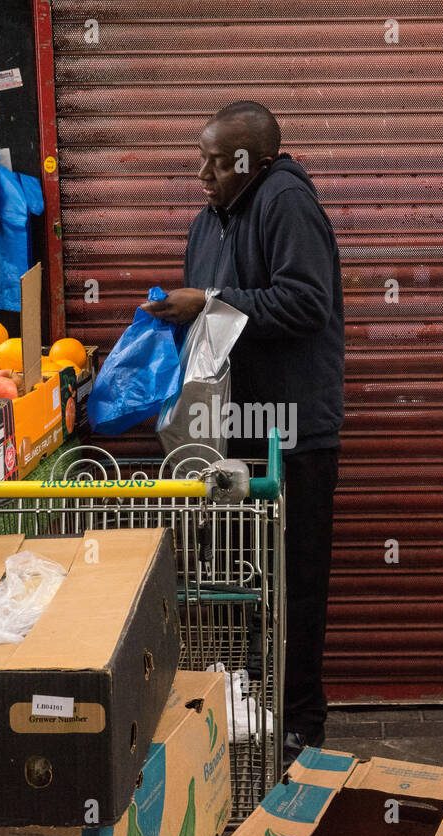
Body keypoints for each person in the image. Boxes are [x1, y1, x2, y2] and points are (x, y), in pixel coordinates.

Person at [140, 101, 344, 768]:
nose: (201, 171)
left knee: (298, 584)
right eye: (199, 156)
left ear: (252, 162)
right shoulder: (209, 222)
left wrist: (208, 298)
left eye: (215, 160)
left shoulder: (286, 201)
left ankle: (302, 724)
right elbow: (215, 325)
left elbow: (307, 302)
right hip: (235, 433)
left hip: (295, 436)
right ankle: (256, 706)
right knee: (252, 579)